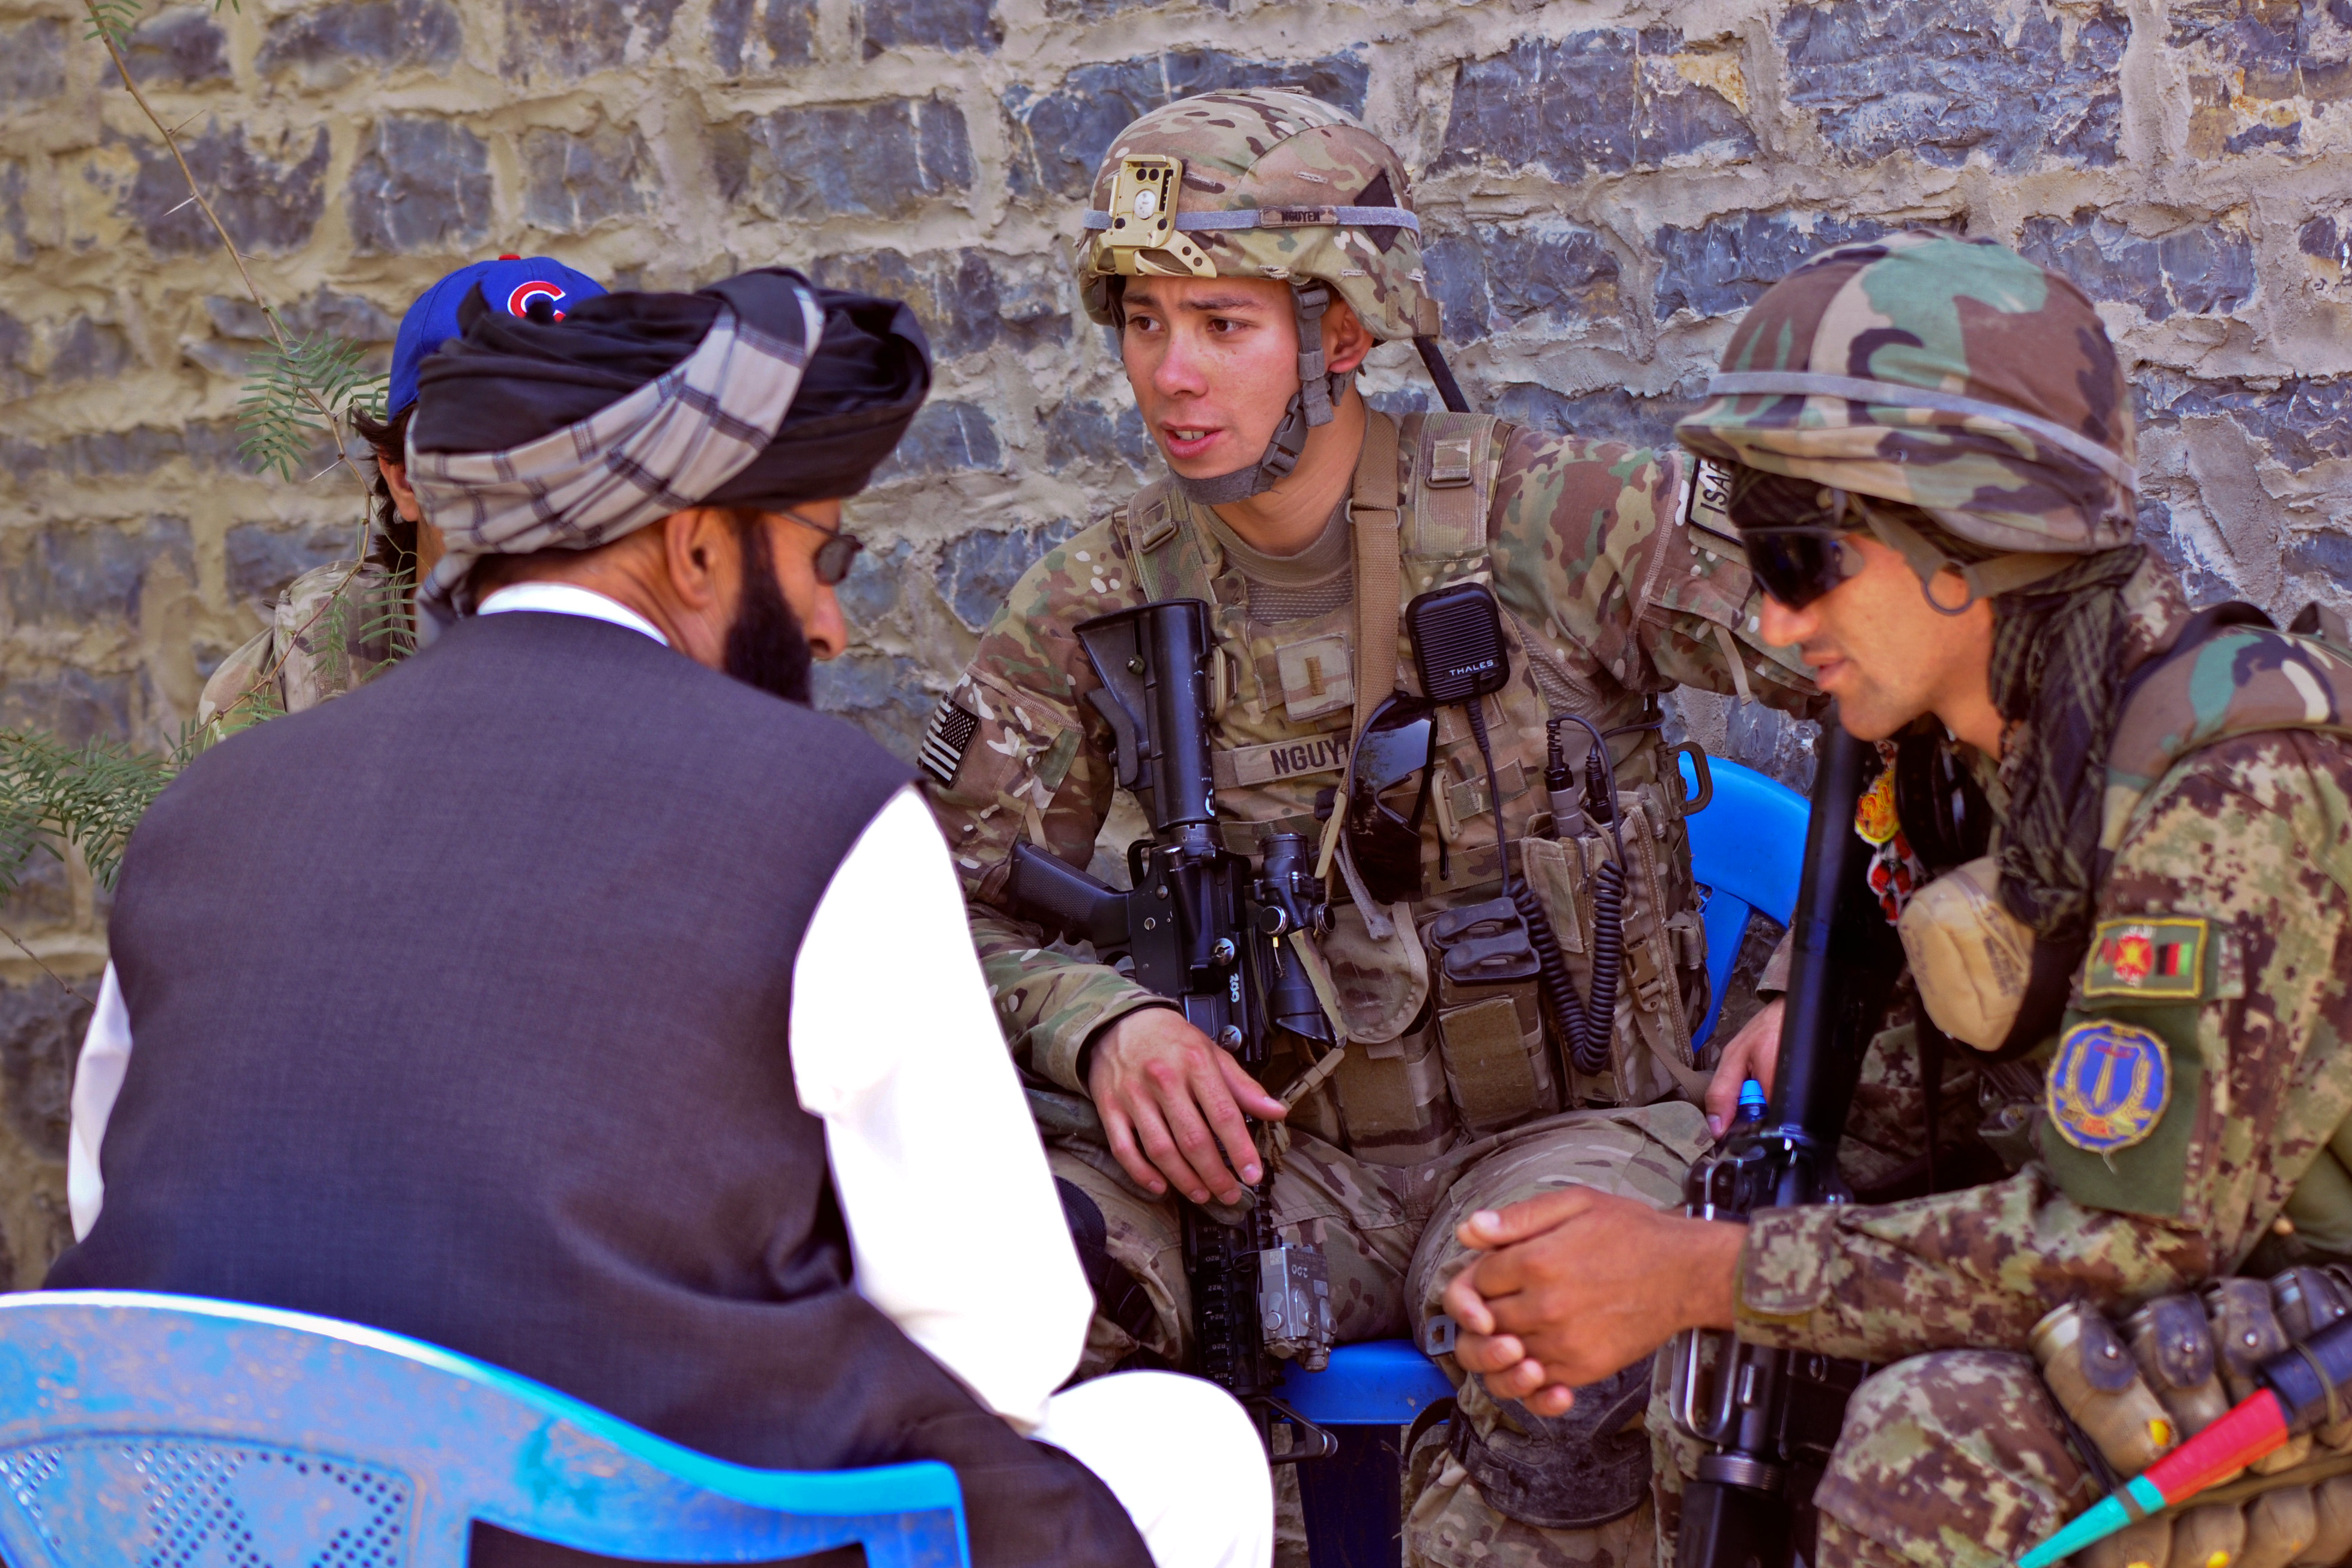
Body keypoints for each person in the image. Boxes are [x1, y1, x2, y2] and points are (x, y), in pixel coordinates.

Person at [50, 266, 1271, 1568]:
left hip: (211, 1520)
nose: (831, 623)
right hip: (618, 1532)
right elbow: (996, 1327)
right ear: (694, 547)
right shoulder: (823, 806)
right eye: (819, 555)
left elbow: (106, 1220)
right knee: (1179, 1444)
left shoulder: (212, 804)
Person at [919, 87, 1818, 1566]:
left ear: (1344, 330)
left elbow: (1905, 688)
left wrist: (1804, 989)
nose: (1171, 377)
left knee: (1572, 1353)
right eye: (1143, 321)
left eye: (1223, 323)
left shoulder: (1564, 518)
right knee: (1000, 1297)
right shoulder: (1097, 595)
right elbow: (926, 903)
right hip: (1270, 1166)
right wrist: (1103, 1025)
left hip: (1567, 1138)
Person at [1436, 231, 2352, 1568]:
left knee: (1932, 1455)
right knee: (1714, 1357)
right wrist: (1586, 1270)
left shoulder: (2231, 781)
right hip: (2165, 1257)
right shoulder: (1953, 754)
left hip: (2302, 1306)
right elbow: (1921, 1107)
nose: (1772, 620)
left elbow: (2124, 1238)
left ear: (1969, 536)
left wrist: (1698, 1272)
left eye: (1803, 562)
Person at [198, 255, 606, 728]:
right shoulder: (290, 686)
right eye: (493, 449)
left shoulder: (686, 661)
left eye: (585, 446)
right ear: (405, 479)